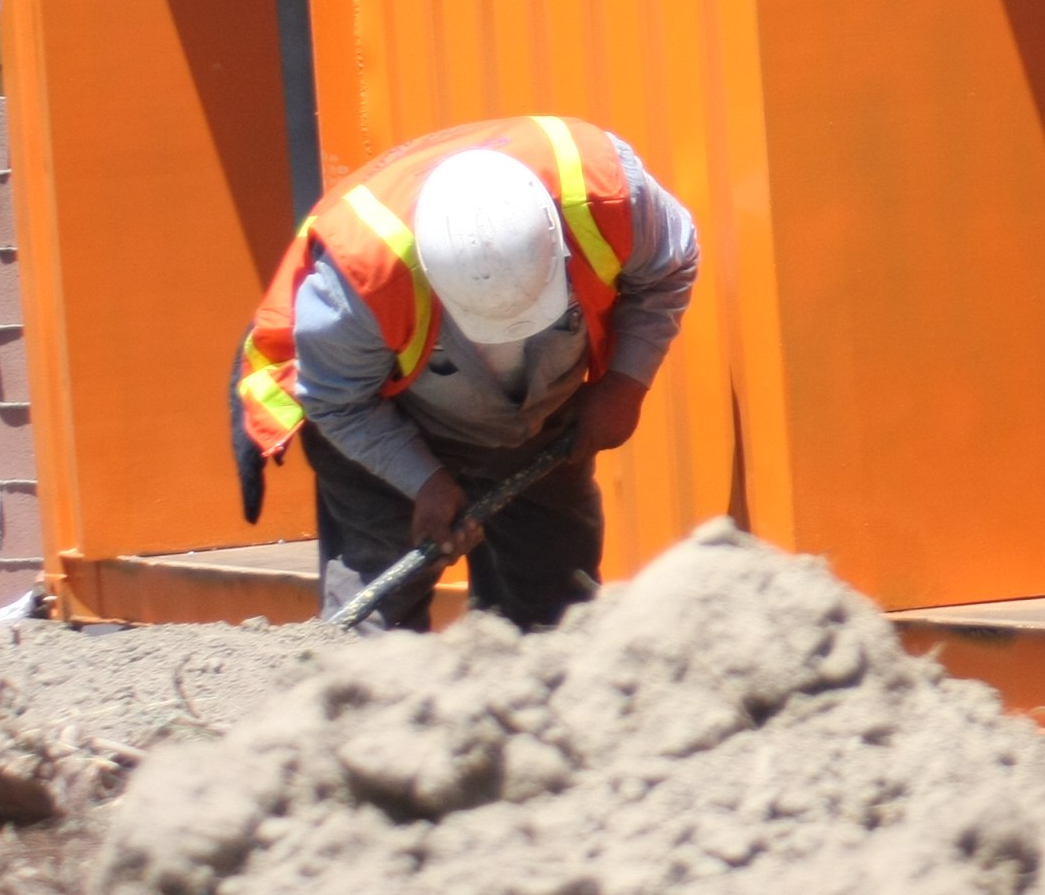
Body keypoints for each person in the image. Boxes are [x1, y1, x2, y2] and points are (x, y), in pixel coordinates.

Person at [228, 115, 700, 630]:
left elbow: (670, 268)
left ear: (554, 236)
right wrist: (422, 480)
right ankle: (376, 705)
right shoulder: (362, 279)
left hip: (542, 413)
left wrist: (626, 383)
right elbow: (337, 401)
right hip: (386, 413)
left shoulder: (608, 195)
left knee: (556, 606)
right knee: (375, 626)